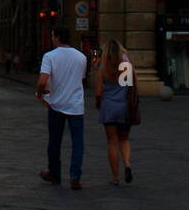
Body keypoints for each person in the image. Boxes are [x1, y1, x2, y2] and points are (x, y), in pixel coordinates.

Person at [37, 26, 87, 189]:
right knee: (77, 142)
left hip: (57, 104)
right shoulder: (81, 57)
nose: (52, 39)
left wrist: (40, 94)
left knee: (54, 141)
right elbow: (81, 79)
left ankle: (55, 173)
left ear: (57, 37)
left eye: (52, 36)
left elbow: (43, 81)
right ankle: (75, 176)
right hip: (76, 105)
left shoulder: (50, 56)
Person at [95, 39, 134, 186]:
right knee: (124, 139)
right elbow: (129, 87)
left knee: (112, 142)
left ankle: (116, 177)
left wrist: (99, 102)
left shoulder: (103, 67)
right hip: (124, 106)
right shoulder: (126, 65)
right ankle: (128, 164)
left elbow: (99, 92)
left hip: (109, 107)